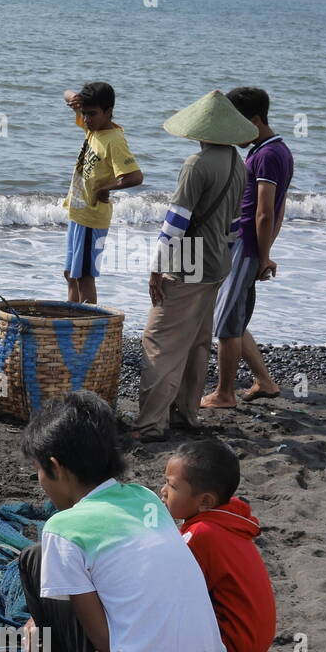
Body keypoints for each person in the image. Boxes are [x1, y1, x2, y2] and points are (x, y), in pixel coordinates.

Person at [14, 391, 228, 652]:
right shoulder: (145, 498)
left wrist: (45, 623)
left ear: (55, 467)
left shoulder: (63, 528)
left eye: (39, 469)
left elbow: (105, 644)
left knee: (33, 559)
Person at [134, 91, 255, 442]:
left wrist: (157, 267)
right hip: (217, 263)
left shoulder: (197, 164)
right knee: (197, 343)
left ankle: (150, 424)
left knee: (160, 342)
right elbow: (234, 223)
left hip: (187, 264)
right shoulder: (238, 164)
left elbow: (176, 221)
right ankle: (186, 414)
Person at [201, 87, 295, 409]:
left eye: (236, 123)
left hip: (245, 244)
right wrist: (266, 248)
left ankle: (224, 393)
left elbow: (266, 211)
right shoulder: (278, 150)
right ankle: (265, 381)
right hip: (248, 244)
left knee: (227, 323)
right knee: (236, 317)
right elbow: (279, 211)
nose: (231, 132)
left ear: (254, 120)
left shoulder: (266, 155)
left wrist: (262, 254)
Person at [160, 439, 276, 652]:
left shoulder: (202, 534)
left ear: (205, 501)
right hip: (251, 644)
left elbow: (169, 592)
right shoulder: (229, 519)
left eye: (171, 486)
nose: (162, 491)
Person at [60, 83, 143, 305]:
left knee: (84, 277)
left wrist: (106, 188)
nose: (86, 119)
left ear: (108, 111)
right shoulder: (92, 129)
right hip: (78, 213)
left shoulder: (114, 139)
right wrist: (75, 98)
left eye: (93, 114)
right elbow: (66, 94)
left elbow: (135, 176)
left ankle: (86, 332)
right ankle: (71, 322)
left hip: (92, 218)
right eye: (84, 113)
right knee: (70, 275)